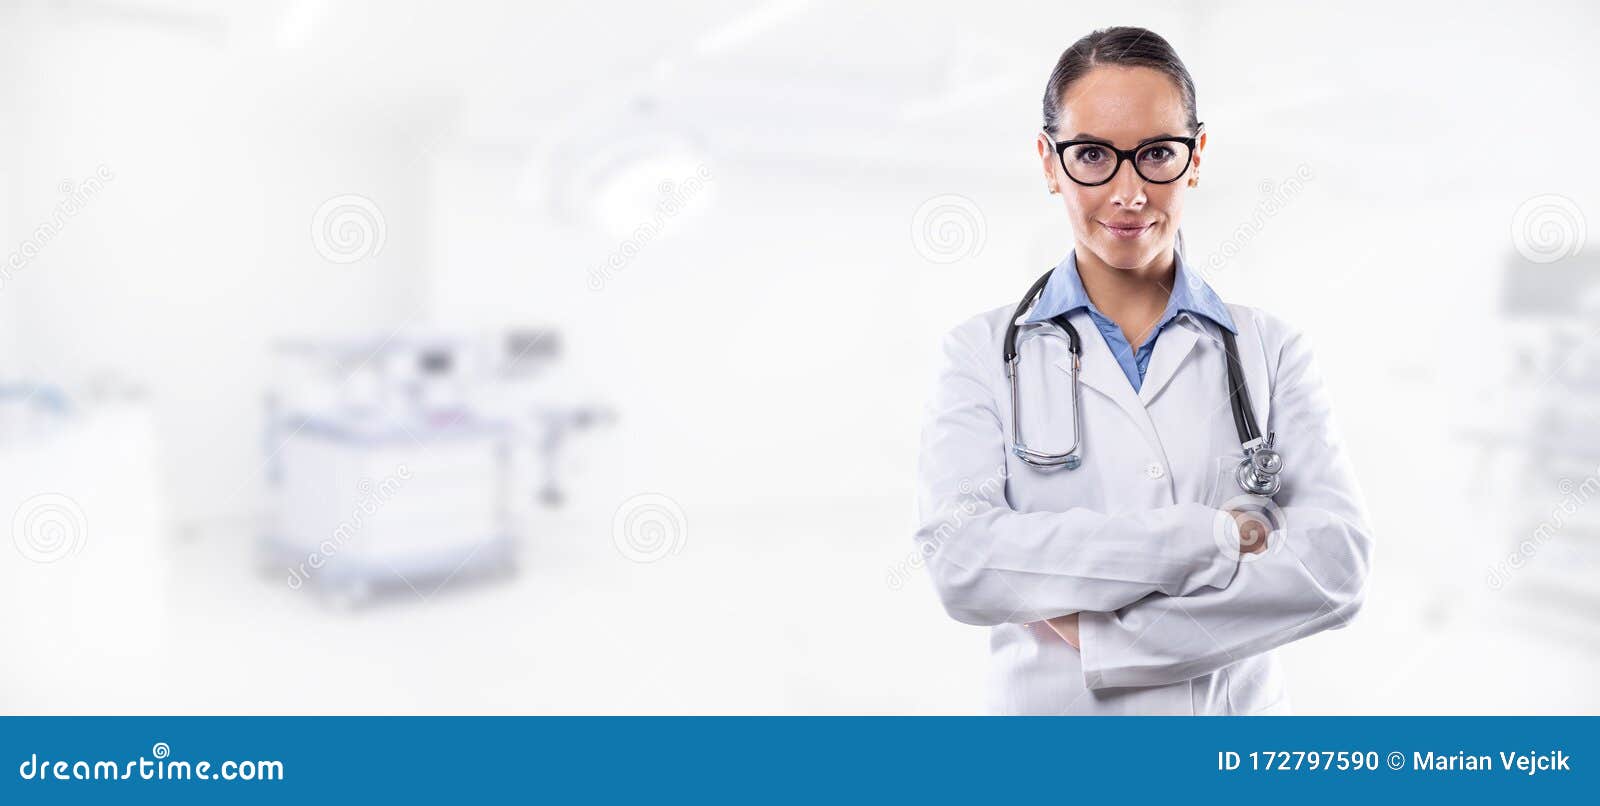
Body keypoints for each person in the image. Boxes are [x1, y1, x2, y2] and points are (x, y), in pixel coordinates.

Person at [913, 26, 1374, 715]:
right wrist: (1215, 536)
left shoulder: (1271, 351)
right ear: (1048, 162)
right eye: (1093, 155)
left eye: (1157, 153)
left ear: (1195, 158)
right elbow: (966, 564)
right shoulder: (980, 353)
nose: (1128, 192)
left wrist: (1109, 642)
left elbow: (1334, 569)